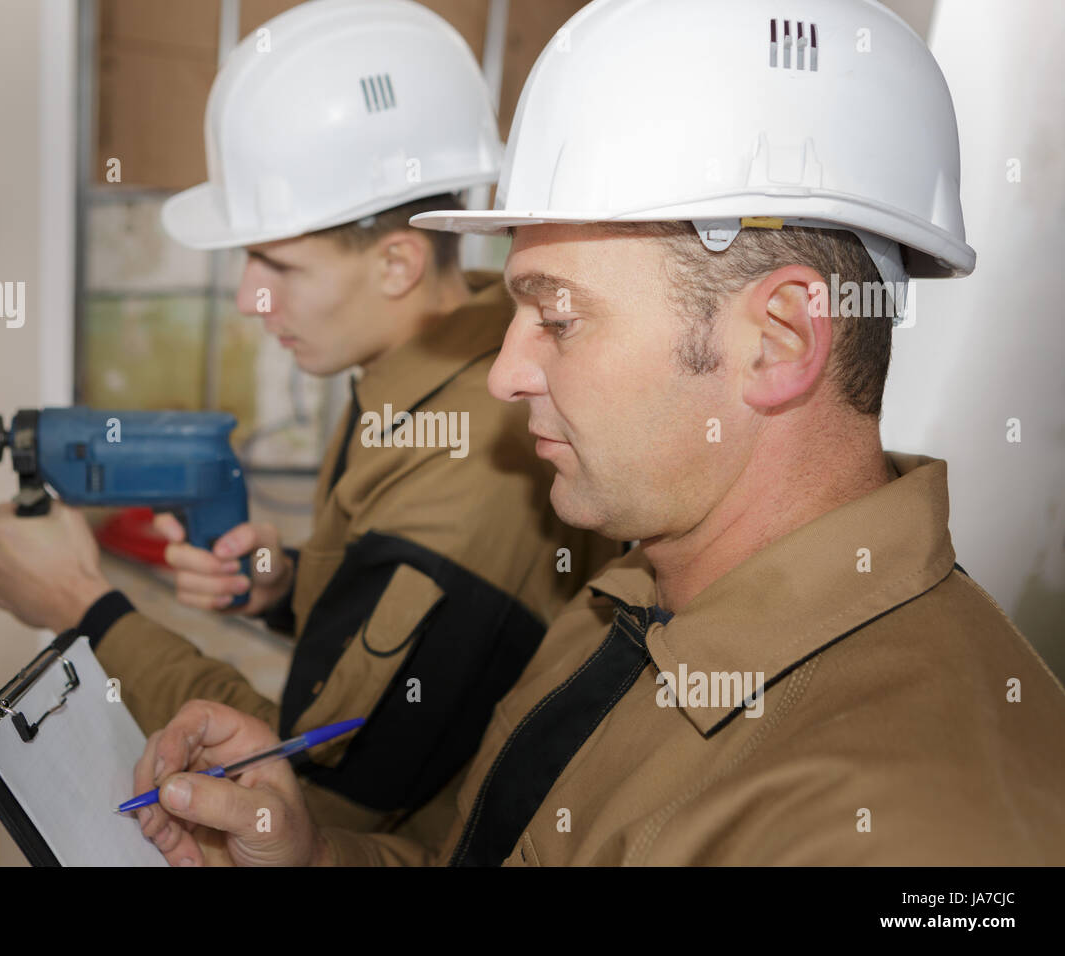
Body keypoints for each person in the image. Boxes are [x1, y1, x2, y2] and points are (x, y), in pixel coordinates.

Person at [127, 0, 1065, 866]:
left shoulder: (917, 830)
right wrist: (312, 855)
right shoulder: (624, 595)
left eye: (560, 317)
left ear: (778, 341)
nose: (503, 373)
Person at [0, 0, 618, 849]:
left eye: (275, 262)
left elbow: (310, 796)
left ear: (397, 262)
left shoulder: (473, 479)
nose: (248, 297)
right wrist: (293, 591)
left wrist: (84, 610)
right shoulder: (425, 373)